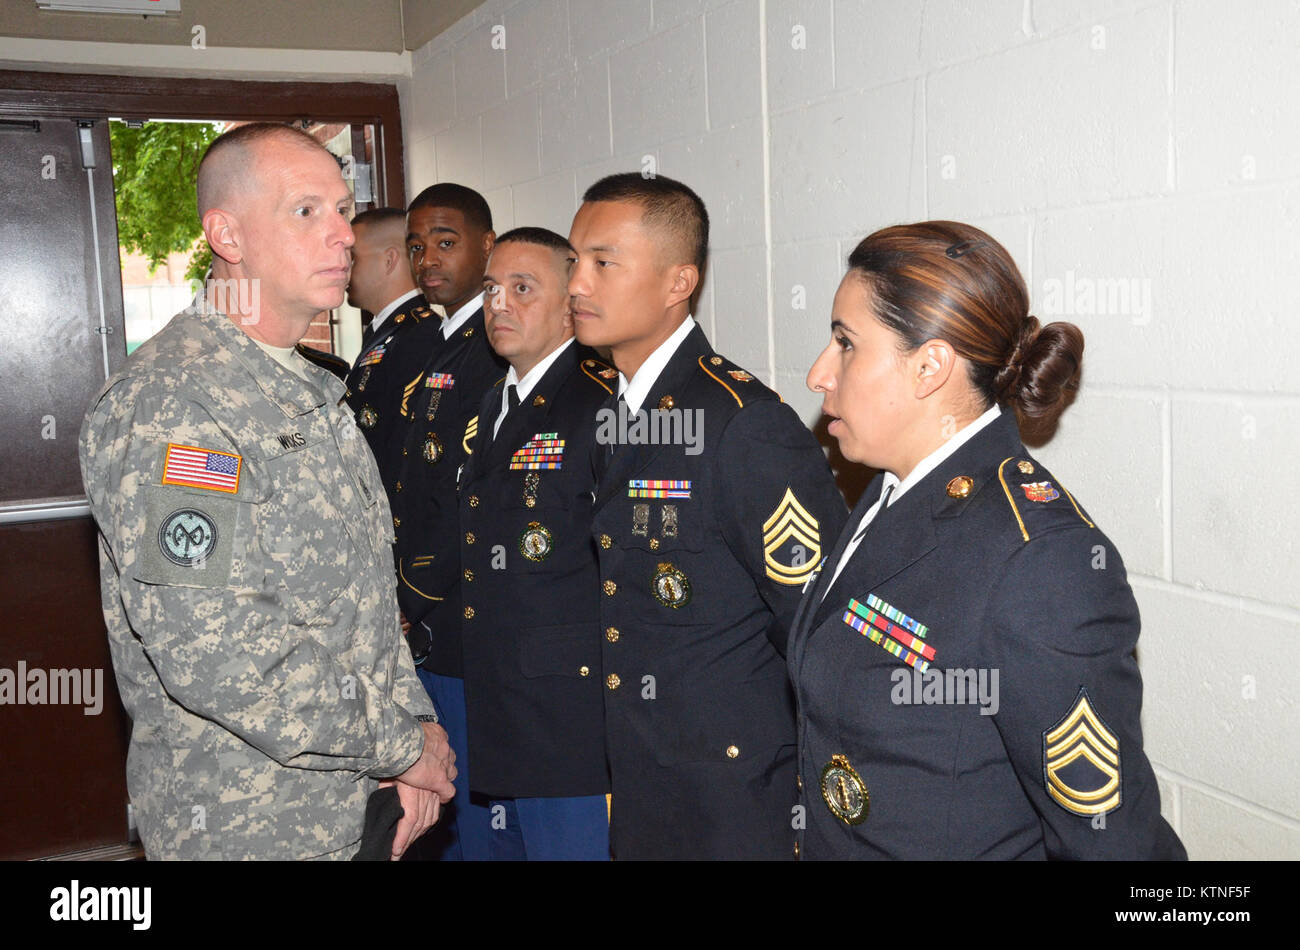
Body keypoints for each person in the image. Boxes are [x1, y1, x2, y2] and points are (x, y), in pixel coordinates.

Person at [78, 122, 456, 861]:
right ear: (227, 234)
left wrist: (413, 737)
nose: (342, 235)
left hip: (360, 811)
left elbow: (369, 603)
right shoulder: (177, 403)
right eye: (305, 211)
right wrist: (401, 744)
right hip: (250, 829)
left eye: (344, 210)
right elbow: (217, 650)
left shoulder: (313, 389)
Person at [792, 221, 1186, 860]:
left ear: (930, 366)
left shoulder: (1041, 562)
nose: (818, 374)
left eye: (845, 344)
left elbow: (1113, 847)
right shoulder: (894, 488)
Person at [567, 173, 848, 860]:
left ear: (677, 282)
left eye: (604, 263)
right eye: (573, 262)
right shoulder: (616, 413)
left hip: (735, 794)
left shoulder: (742, 424)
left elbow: (821, 626)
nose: (577, 284)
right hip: (644, 774)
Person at [458, 227, 615, 860]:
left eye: (523, 288)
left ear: (569, 302)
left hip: (570, 725)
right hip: (499, 706)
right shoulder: (492, 402)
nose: (500, 305)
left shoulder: (601, 403)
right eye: (493, 289)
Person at [391, 182, 506, 860]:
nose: (427, 258)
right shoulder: (440, 341)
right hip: (427, 619)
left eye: (445, 240)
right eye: (415, 246)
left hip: (461, 617)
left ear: (486, 244)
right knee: (446, 806)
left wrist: (411, 599)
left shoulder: (490, 348)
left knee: (469, 804)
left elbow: (466, 496)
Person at [342, 207, 441, 500]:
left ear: (389, 260)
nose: (343, 267)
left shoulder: (419, 336)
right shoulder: (386, 331)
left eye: (353, 258)